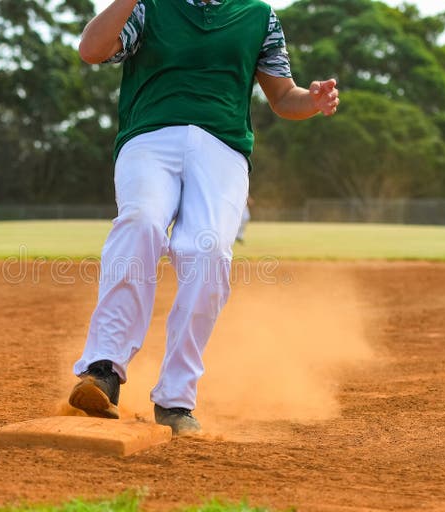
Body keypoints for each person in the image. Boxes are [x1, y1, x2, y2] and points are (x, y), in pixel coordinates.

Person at [68, 0, 339, 435]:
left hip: (222, 148)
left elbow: (283, 97)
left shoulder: (259, 16)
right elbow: (92, 50)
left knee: (207, 250)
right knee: (140, 222)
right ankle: (103, 369)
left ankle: (176, 398)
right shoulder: (149, 6)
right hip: (150, 138)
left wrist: (313, 100)